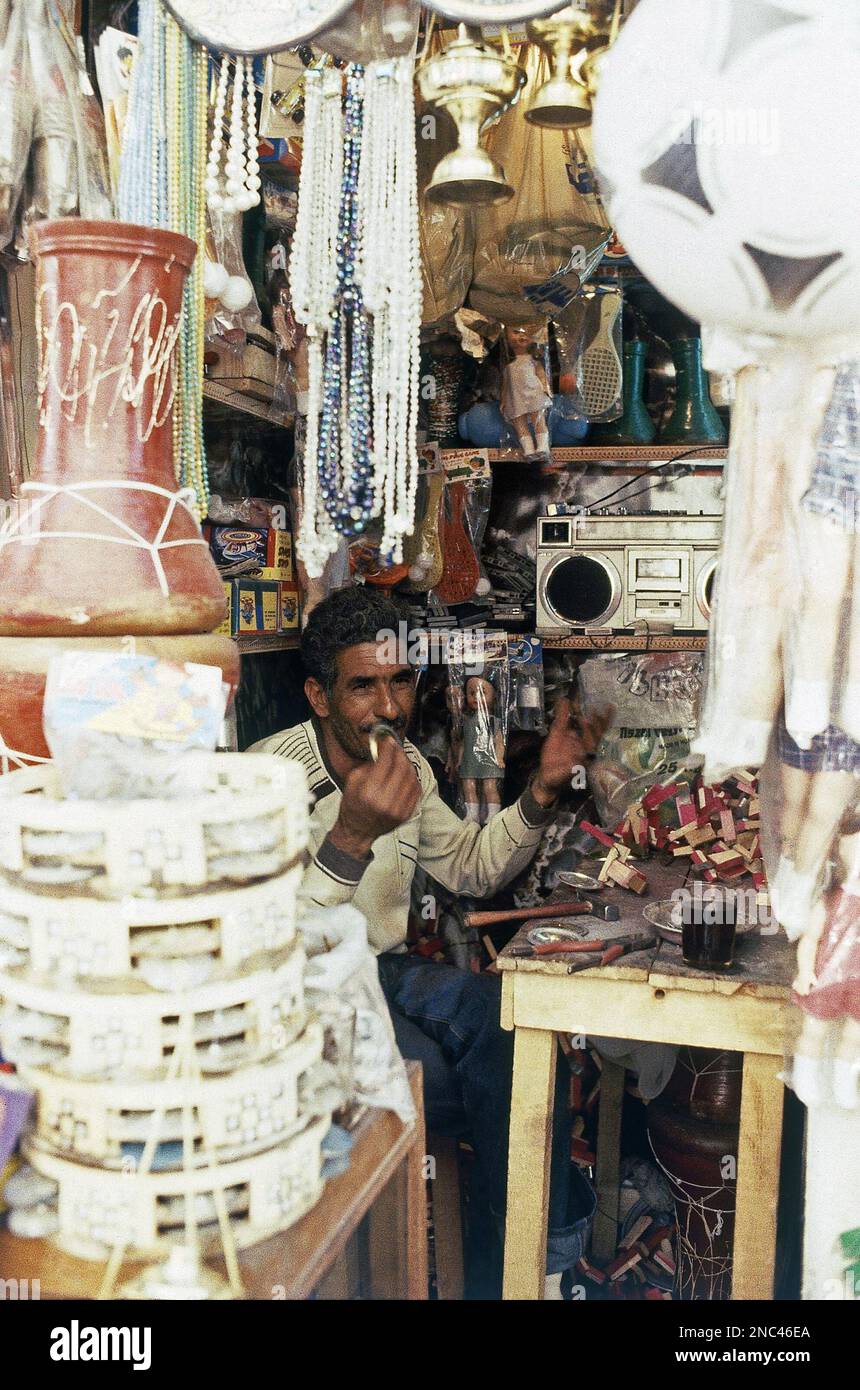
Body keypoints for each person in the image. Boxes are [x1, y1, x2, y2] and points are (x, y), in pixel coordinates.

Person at [250, 586, 610, 1296]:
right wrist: (350, 838)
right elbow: (266, 949)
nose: (389, 708)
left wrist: (539, 791)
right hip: (297, 998)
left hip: (379, 973)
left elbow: (472, 870)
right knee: (487, 1089)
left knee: (510, 1024)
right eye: (363, 687)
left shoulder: (406, 764)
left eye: (399, 682)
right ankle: (507, 1272)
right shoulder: (267, 781)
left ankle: (534, 1264)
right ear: (319, 698)